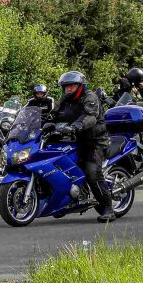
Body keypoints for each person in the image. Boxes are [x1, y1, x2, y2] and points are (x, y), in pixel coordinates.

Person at [49, 70, 115, 221]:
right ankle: (63, 201)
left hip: (94, 142)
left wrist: (75, 126)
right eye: (66, 87)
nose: (68, 89)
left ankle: (107, 207)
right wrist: (46, 122)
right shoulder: (65, 99)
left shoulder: (90, 97)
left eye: (71, 86)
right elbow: (53, 113)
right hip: (73, 141)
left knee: (92, 173)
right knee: (59, 165)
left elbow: (89, 117)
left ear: (80, 86)